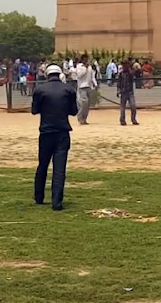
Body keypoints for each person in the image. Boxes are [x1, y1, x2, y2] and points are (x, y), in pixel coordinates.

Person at [31, 64, 77, 210]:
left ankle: (39, 197)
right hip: (63, 132)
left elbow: (34, 110)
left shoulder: (39, 90)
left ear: (47, 75)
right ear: (60, 74)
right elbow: (74, 111)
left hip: (46, 132)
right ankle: (57, 202)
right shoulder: (68, 90)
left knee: (42, 165)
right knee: (59, 169)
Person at [72, 55, 98, 125]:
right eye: (85, 60)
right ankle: (80, 118)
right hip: (82, 87)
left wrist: (95, 84)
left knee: (88, 104)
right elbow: (79, 75)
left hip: (89, 87)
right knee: (84, 103)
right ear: (82, 60)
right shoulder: (79, 66)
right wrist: (85, 69)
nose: (86, 61)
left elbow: (92, 76)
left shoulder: (89, 67)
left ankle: (84, 118)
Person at [117, 58, 140, 126]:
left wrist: (130, 70)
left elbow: (133, 77)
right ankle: (122, 120)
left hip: (130, 92)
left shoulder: (130, 73)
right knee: (122, 107)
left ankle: (133, 119)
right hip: (123, 92)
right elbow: (119, 83)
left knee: (133, 106)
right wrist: (118, 90)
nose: (125, 67)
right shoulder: (121, 74)